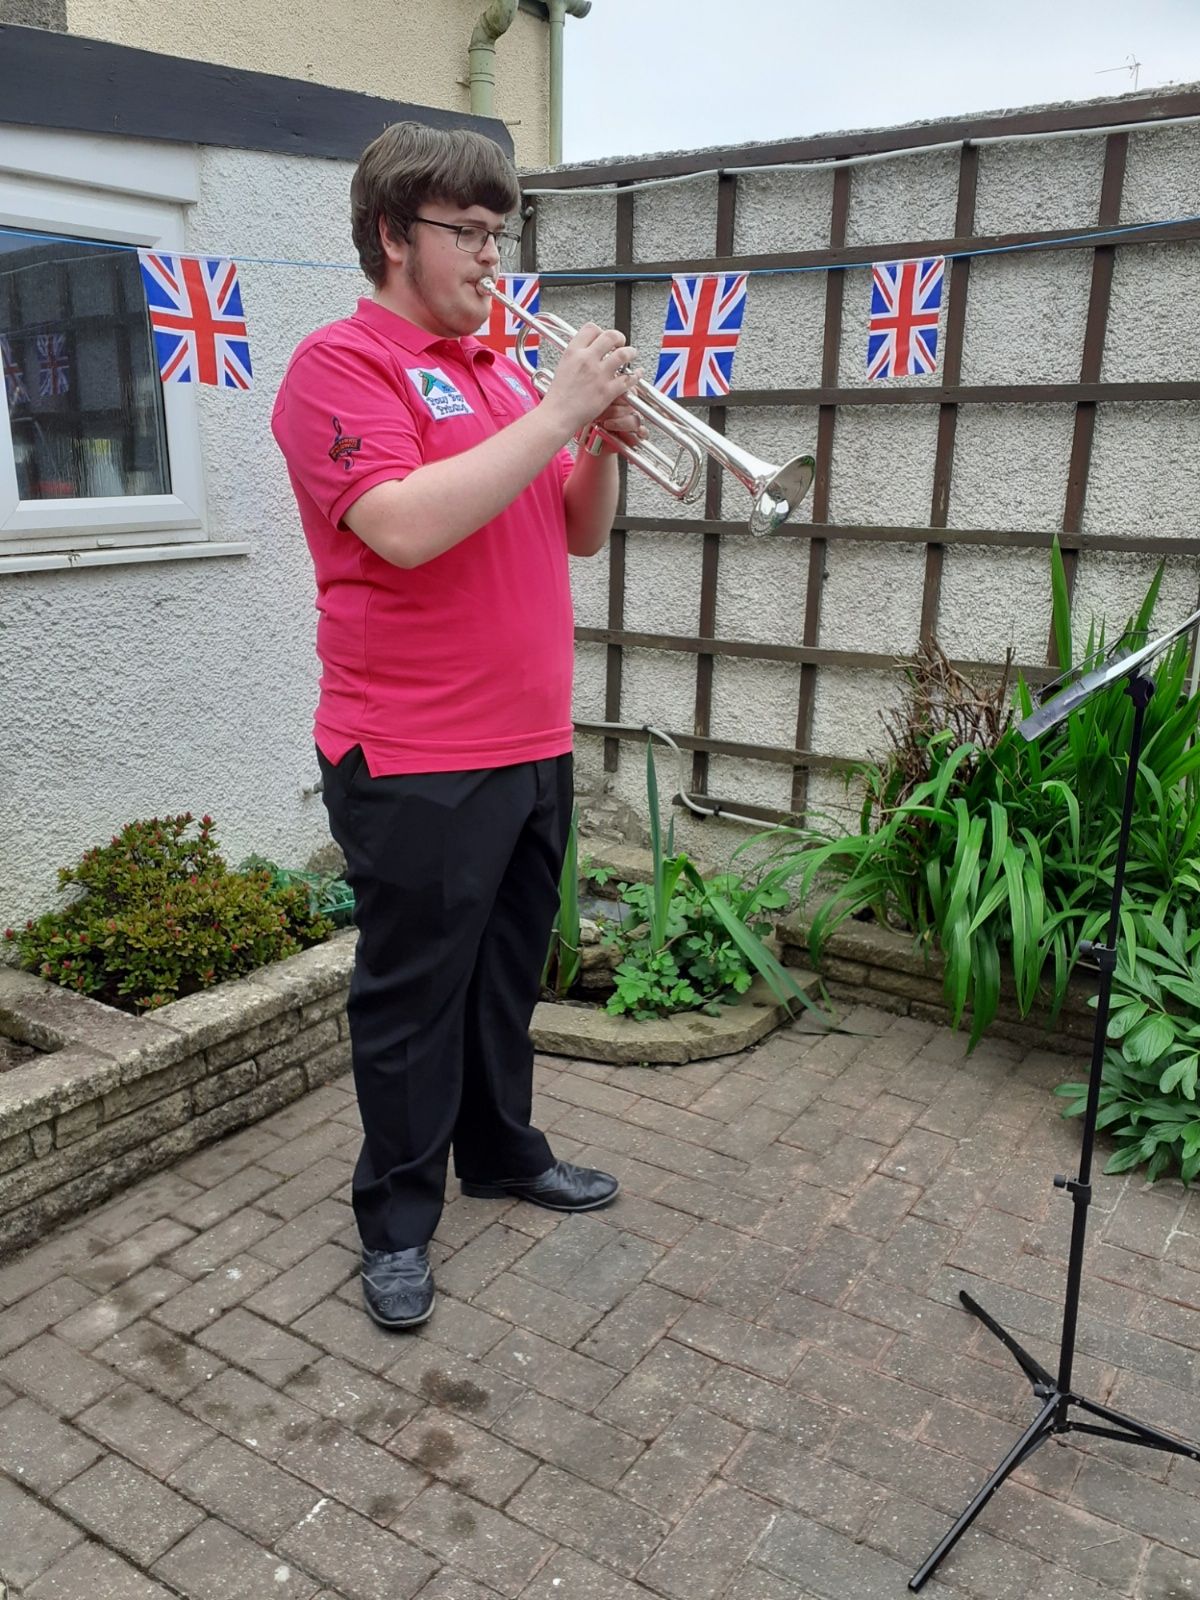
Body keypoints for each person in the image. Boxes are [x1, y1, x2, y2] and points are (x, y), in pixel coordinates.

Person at [271, 121, 641, 1330]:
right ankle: (395, 1217)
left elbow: (574, 533)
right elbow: (404, 526)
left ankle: (501, 1152)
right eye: (468, 233)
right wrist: (555, 412)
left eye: (500, 233)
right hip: (413, 753)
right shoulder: (341, 366)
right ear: (392, 233)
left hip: (530, 738)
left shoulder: (497, 372)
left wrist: (596, 441)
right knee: (411, 998)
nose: (493, 257)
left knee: (499, 982)